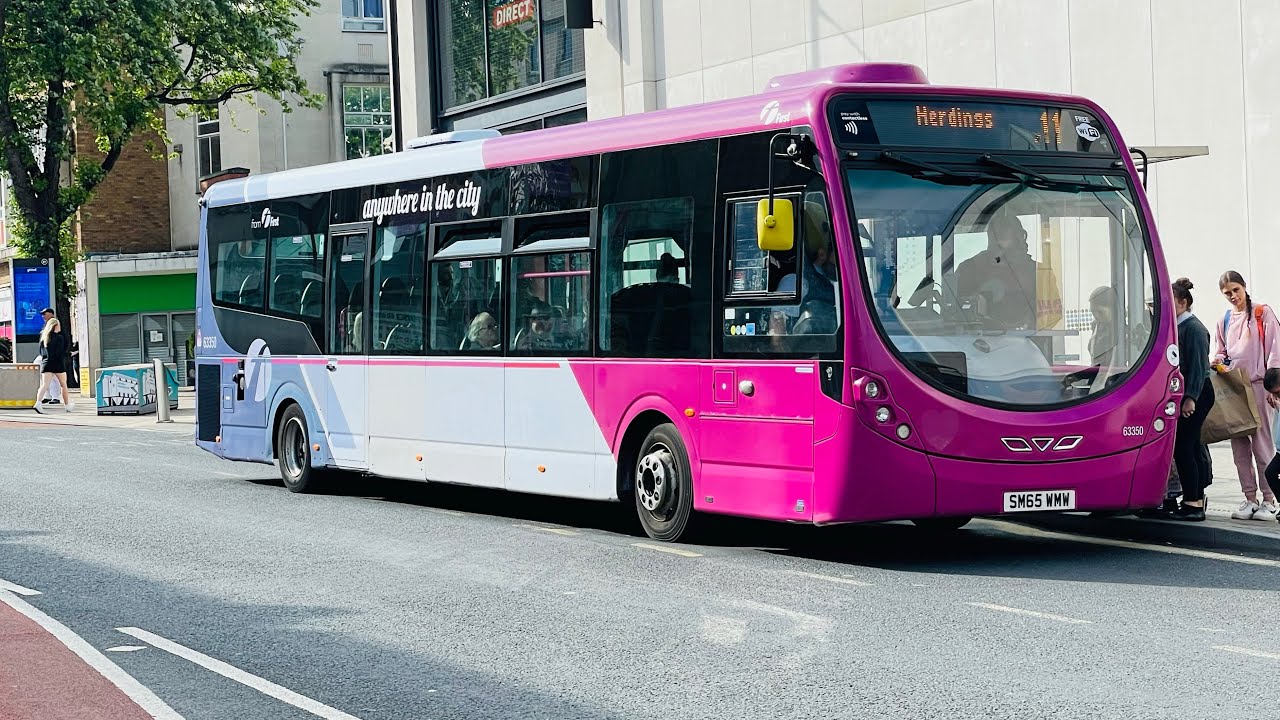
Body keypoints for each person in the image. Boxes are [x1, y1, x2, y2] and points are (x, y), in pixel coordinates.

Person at [1212, 270, 1280, 521]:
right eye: (1227, 293)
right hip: (1235, 388)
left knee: (1263, 446)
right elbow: (1222, 351)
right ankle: (1249, 498)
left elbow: (1276, 351)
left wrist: (1275, 389)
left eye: (1235, 290)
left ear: (1243, 287)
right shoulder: (1225, 320)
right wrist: (1218, 360)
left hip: (1260, 387)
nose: (1232, 296)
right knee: (1239, 448)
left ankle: (1269, 500)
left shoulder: (1263, 313)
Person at [1167, 278, 1215, 521]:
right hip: (1192, 393)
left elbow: (1197, 368)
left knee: (1184, 447)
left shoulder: (1193, 329)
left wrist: (1190, 398)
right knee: (1190, 445)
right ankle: (1194, 499)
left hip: (1198, 393)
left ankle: (1193, 502)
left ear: (1183, 302)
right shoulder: (1180, 326)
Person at [33, 316, 74, 413]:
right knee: (63, 384)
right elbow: (60, 352)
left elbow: (41, 352)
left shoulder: (44, 338)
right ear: (55, 326)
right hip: (58, 364)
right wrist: (68, 354)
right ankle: (67, 405)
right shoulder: (59, 338)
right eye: (59, 325)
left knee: (45, 385)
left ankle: (38, 403)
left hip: (46, 363)